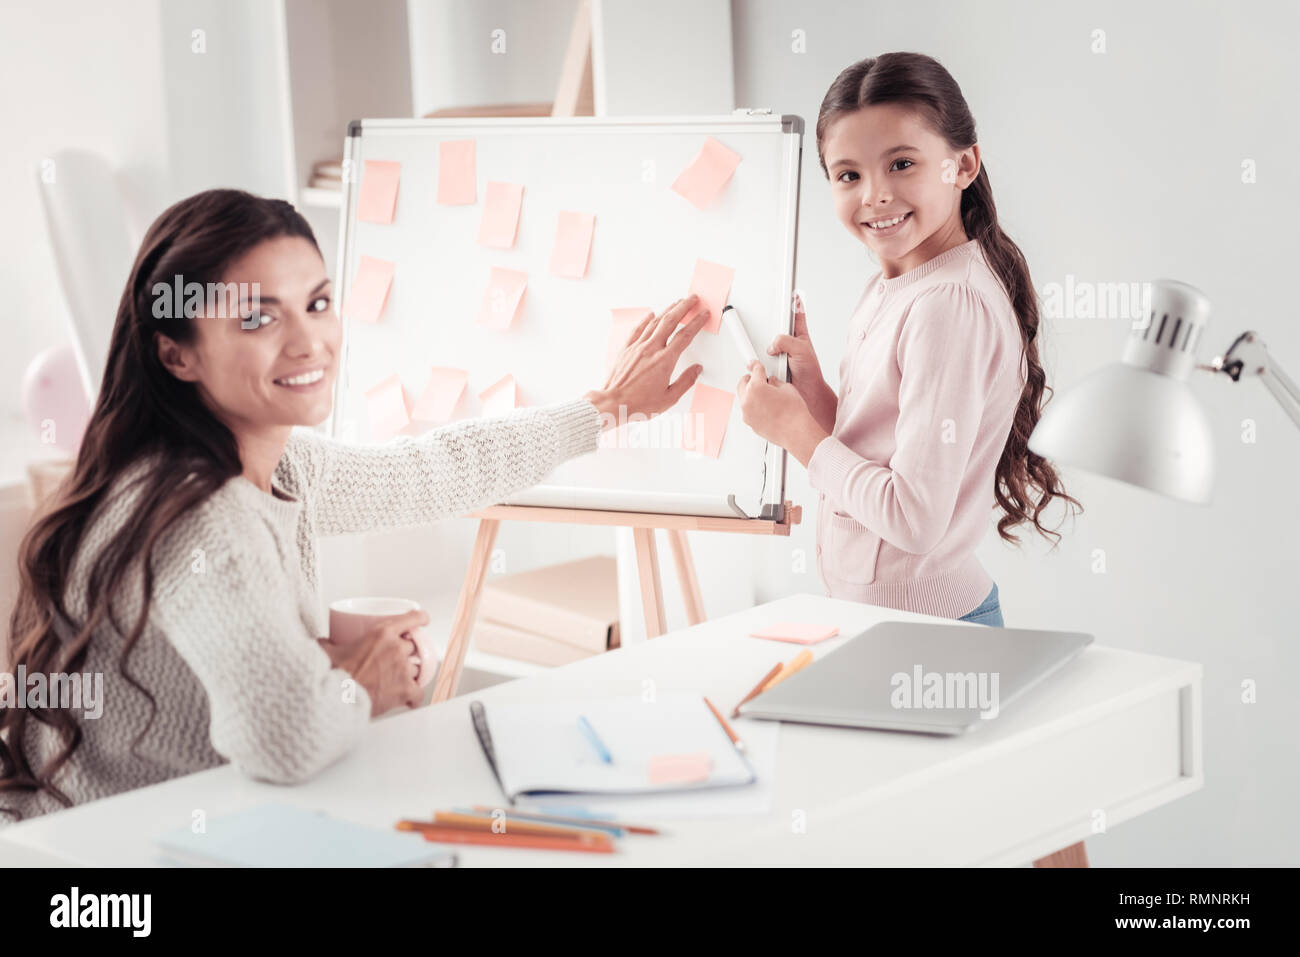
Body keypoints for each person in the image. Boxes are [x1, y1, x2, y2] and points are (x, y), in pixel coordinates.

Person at [0, 188, 709, 823]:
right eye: (256, 319)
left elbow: (432, 470)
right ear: (177, 355)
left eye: (316, 302)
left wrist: (608, 408)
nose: (309, 340)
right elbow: (285, 739)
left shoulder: (265, 462)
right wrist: (358, 682)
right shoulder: (205, 515)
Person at [737, 52, 1082, 628]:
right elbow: (874, 449)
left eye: (901, 163)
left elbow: (913, 518)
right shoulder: (893, 285)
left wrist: (795, 432)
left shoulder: (946, 305)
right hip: (889, 624)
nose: (874, 194)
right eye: (849, 174)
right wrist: (815, 393)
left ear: (963, 164)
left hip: (929, 632)